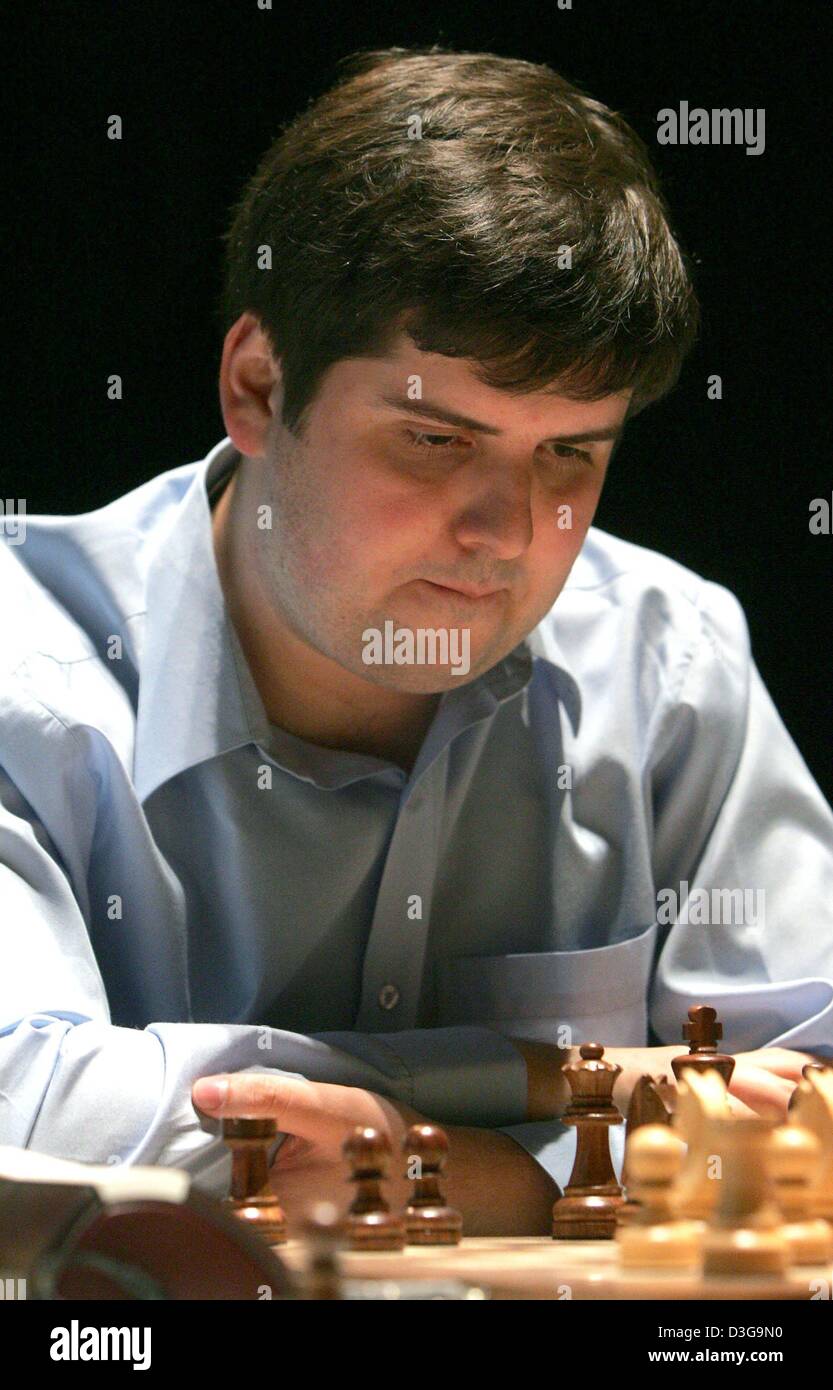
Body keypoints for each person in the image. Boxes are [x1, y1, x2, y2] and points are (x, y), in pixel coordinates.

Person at [2, 46, 831, 1236]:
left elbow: (810, 1111)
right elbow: (21, 1102)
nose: (503, 533)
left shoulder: (669, 666)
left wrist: (472, 1170)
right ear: (254, 385)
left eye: (568, 456)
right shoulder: (20, 668)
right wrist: (557, 1083)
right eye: (435, 441)